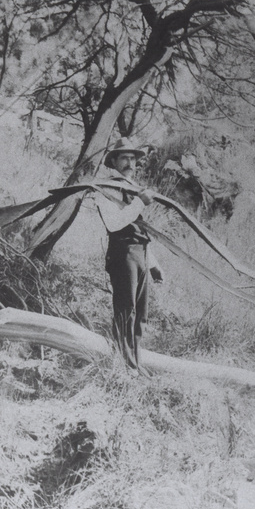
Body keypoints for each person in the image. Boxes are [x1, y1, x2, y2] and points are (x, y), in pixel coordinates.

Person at [93, 138, 163, 371]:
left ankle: (135, 361)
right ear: (113, 161)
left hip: (140, 254)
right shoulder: (105, 188)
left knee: (141, 312)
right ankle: (124, 365)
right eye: (124, 157)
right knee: (126, 309)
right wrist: (139, 204)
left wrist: (153, 263)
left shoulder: (133, 189)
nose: (129, 162)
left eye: (133, 158)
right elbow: (114, 224)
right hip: (123, 253)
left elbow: (139, 228)